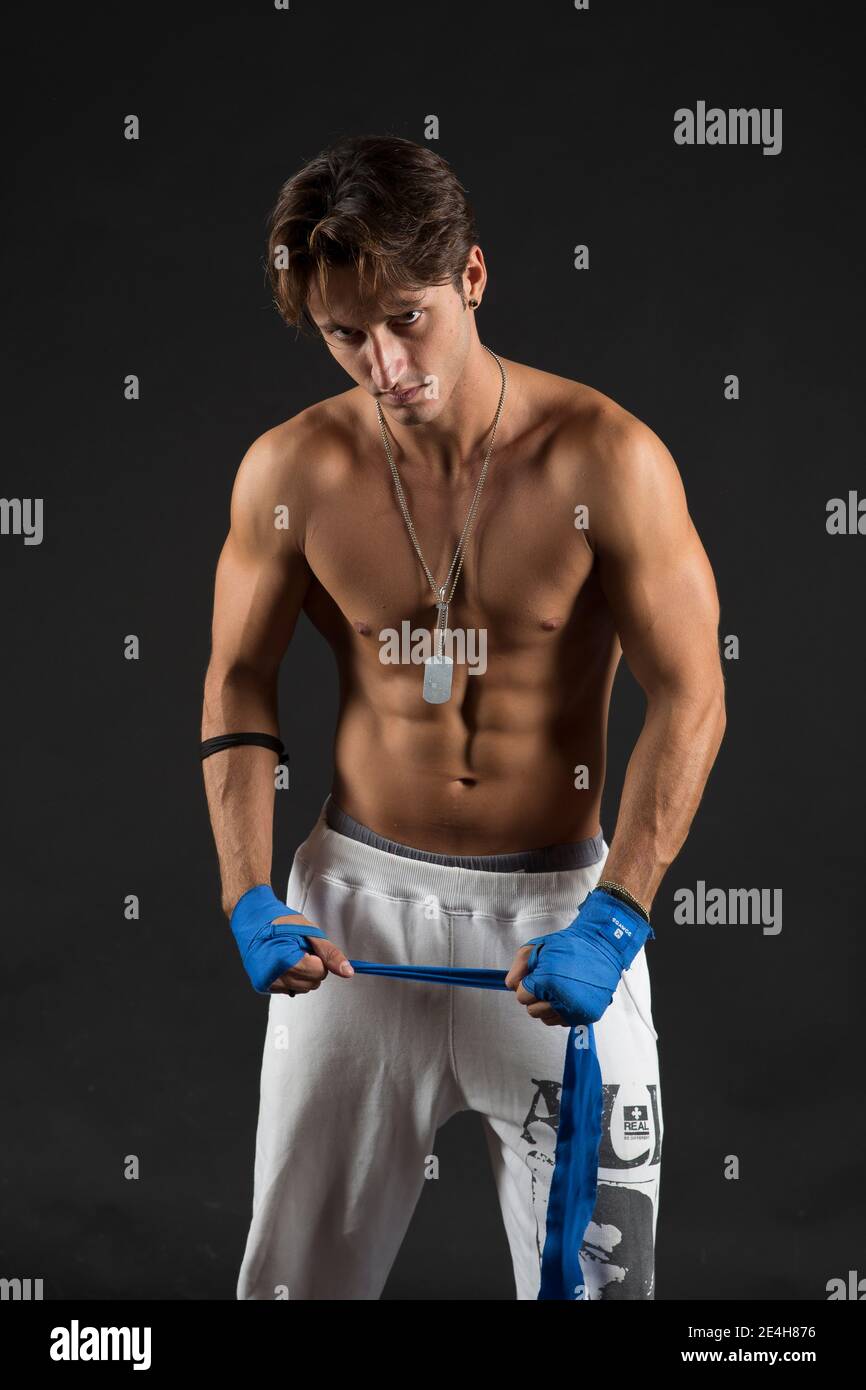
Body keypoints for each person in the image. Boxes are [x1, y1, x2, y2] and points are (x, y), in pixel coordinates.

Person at [200, 133, 726, 1300]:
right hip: (349, 925)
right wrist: (245, 889)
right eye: (346, 334)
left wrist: (621, 911)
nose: (383, 363)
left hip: (557, 926)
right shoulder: (294, 469)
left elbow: (691, 691)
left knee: (601, 1289)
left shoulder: (606, 456)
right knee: (293, 1288)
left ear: (472, 279)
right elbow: (239, 674)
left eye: (406, 318)